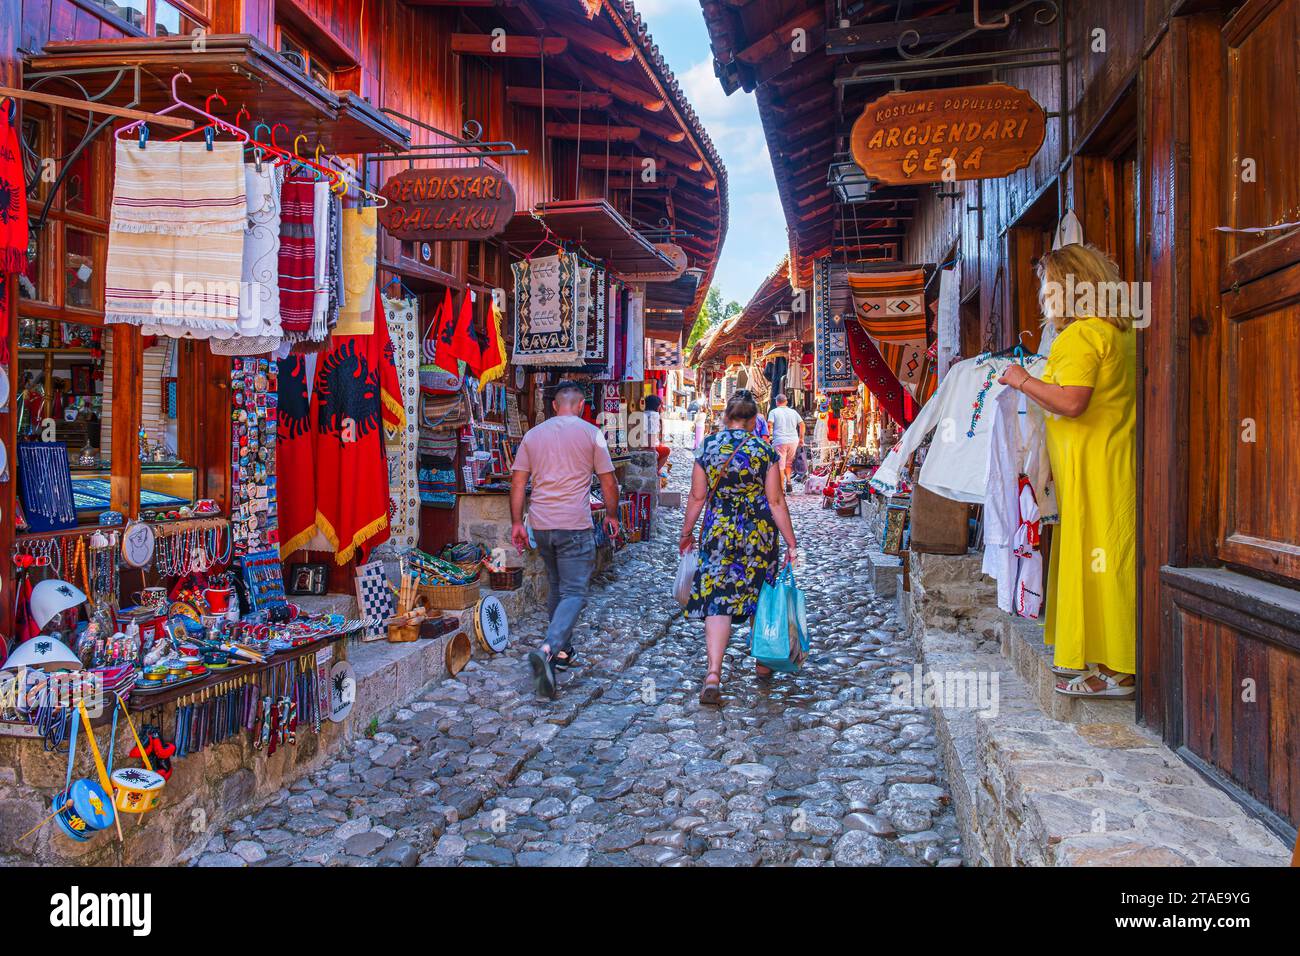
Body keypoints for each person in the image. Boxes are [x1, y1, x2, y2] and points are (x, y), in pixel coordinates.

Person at [997, 243, 1136, 699]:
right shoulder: (1119, 333)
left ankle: (1118, 668)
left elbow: (1073, 402)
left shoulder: (1081, 336)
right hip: (1111, 457)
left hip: (1092, 464)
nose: (1043, 296)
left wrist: (1021, 379)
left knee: (1104, 561)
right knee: (1111, 557)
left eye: (1046, 286)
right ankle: (1105, 657)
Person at [679, 390, 798, 706]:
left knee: (718, 601)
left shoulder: (708, 448)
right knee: (761, 595)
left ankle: (714, 674)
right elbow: (775, 500)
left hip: (719, 535)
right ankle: (763, 662)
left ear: (726, 417)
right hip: (758, 535)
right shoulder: (764, 451)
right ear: (755, 419)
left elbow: (697, 497)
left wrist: (686, 532)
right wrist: (791, 542)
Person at [511, 383, 621, 699]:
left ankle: (562, 650)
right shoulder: (592, 434)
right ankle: (547, 649)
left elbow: (518, 483)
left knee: (558, 587)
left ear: (556, 407)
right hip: (573, 524)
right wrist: (612, 516)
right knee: (575, 590)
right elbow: (608, 480)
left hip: (542, 525)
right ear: (582, 406)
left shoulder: (533, 435)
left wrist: (518, 522)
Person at [769, 392, 805, 492]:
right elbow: (802, 424)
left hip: (780, 441)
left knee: (780, 465)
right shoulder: (793, 412)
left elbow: (769, 424)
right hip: (793, 440)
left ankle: (782, 489)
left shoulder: (773, 412)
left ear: (777, 402)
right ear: (786, 402)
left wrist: (769, 436)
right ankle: (789, 481)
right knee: (788, 463)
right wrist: (801, 438)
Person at [643, 393, 671, 473]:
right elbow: (651, 432)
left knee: (661, 446)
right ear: (657, 405)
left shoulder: (644, 413)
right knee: (666, 450)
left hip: (642, 444)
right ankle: (656, 471)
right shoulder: (654, 415)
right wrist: (652, 449)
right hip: (648, 446)